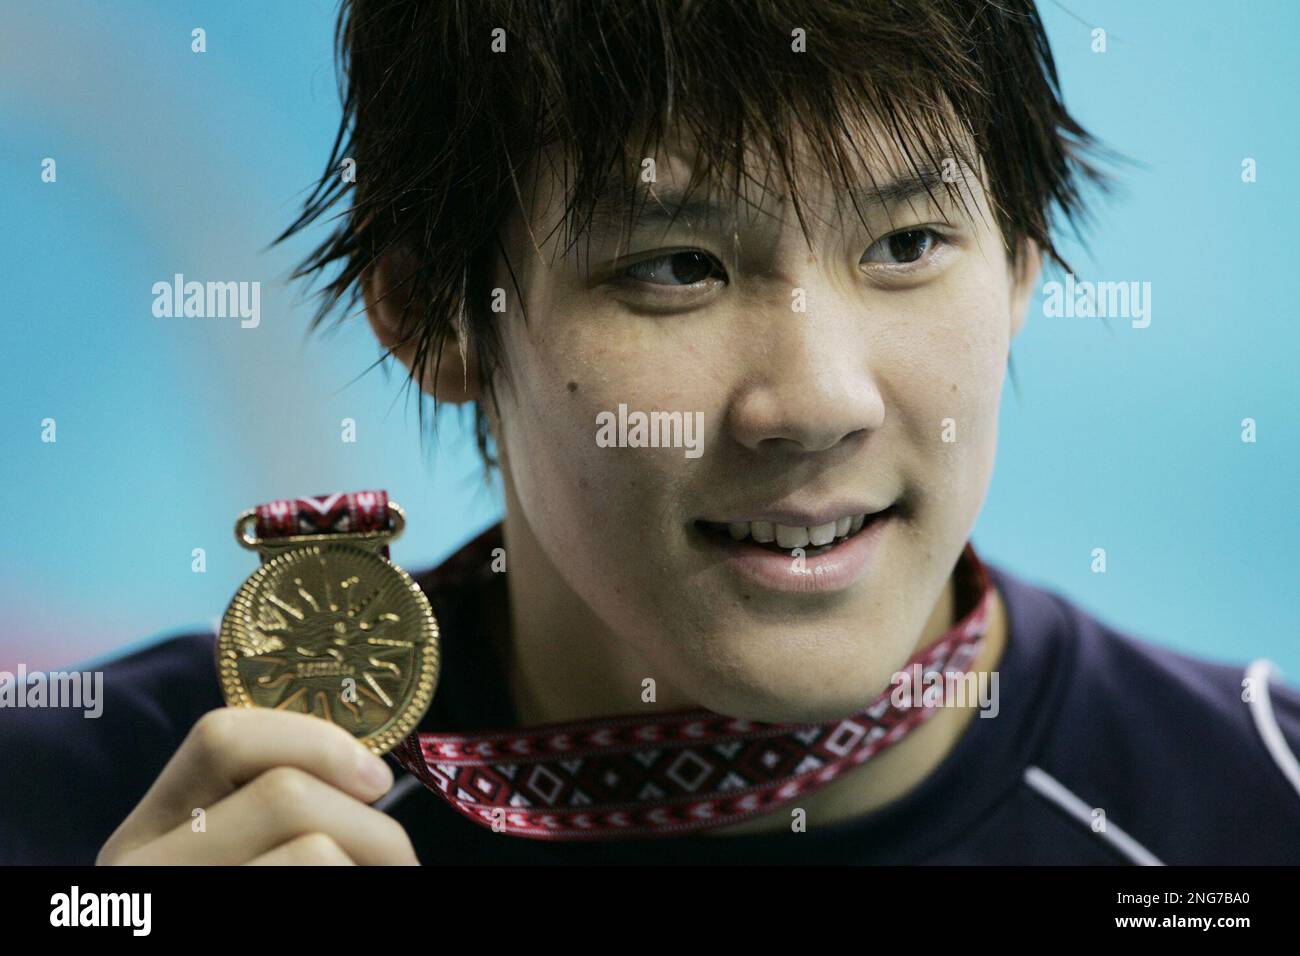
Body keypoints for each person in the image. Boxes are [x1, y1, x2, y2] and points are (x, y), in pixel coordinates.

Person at [2, 0, 1298, 865]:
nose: (818, 400)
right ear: (432, 316)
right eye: (676, 268)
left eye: (907, 244)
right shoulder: (79, 805)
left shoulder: (1258, 800)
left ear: (1020, 262)